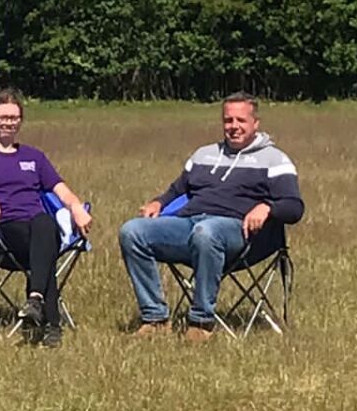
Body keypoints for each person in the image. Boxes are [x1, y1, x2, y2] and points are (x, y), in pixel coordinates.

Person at [119, 92, 304, 339]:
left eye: (241, 120)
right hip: (190, 224)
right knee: (132, 231)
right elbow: (178, 189)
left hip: (239, 234)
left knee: (207, 232)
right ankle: (155, 318)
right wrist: (158, 202)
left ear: (255, 123)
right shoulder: (204, 154)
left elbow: (294, 207)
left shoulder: (275, 160)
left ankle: (201, 323)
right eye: (228, 121)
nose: (234, 127)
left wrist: (267, 207)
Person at [0, 88, 93, 347]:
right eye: (3, 116)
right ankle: (52, 324)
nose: (8, 122)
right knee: (45, 243)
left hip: (37, 227)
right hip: (4, 231)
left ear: (21, 121)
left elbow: (61, 190)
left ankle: (35, 300)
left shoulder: (34, 157)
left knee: (44, 225)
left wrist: (76, 207)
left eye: (14, 117)